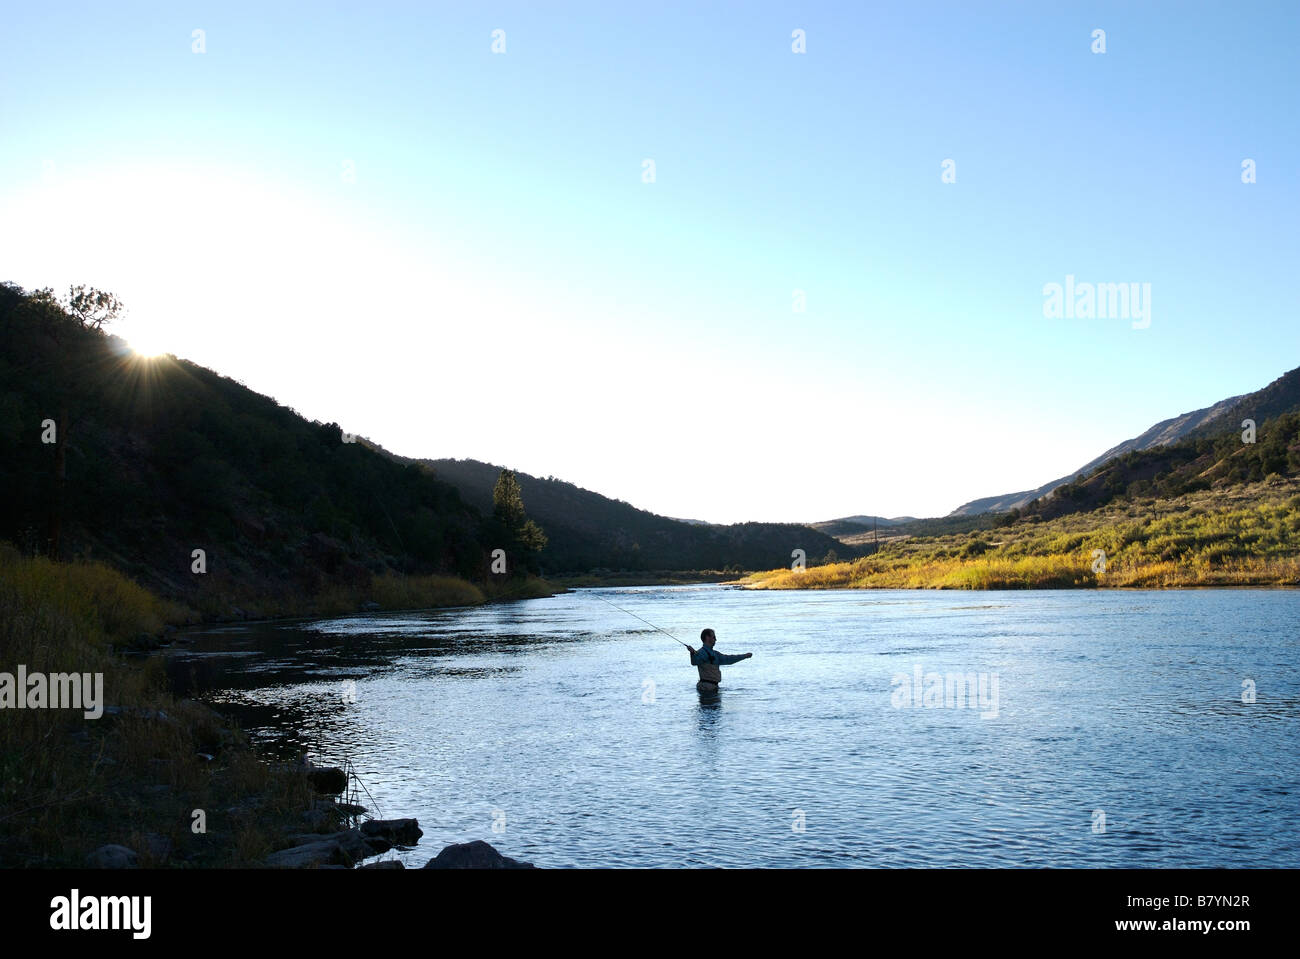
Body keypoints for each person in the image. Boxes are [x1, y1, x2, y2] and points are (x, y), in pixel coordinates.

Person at [686, 628, 752, 695]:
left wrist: (745, 656)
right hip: (706, 688)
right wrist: (692, 653)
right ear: (707, 637)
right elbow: (694, 662)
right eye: (714, 637)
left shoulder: (715, 654)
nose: (716, 639)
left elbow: (729, 659)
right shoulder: (702, 652)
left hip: (712, 687)